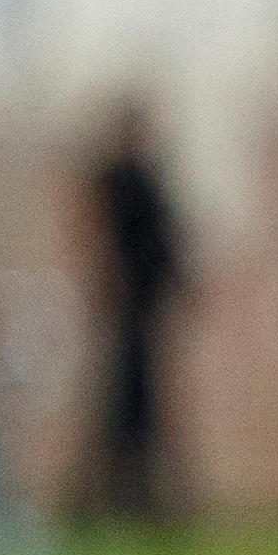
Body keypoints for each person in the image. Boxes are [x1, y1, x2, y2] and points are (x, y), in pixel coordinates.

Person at [82, 96, 188, 526]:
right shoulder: (119, 181)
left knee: (141, 406)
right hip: (129, 312)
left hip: (146, 310)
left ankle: (140, 500)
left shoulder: (146, 180)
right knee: (123, 406)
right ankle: (112, 500)